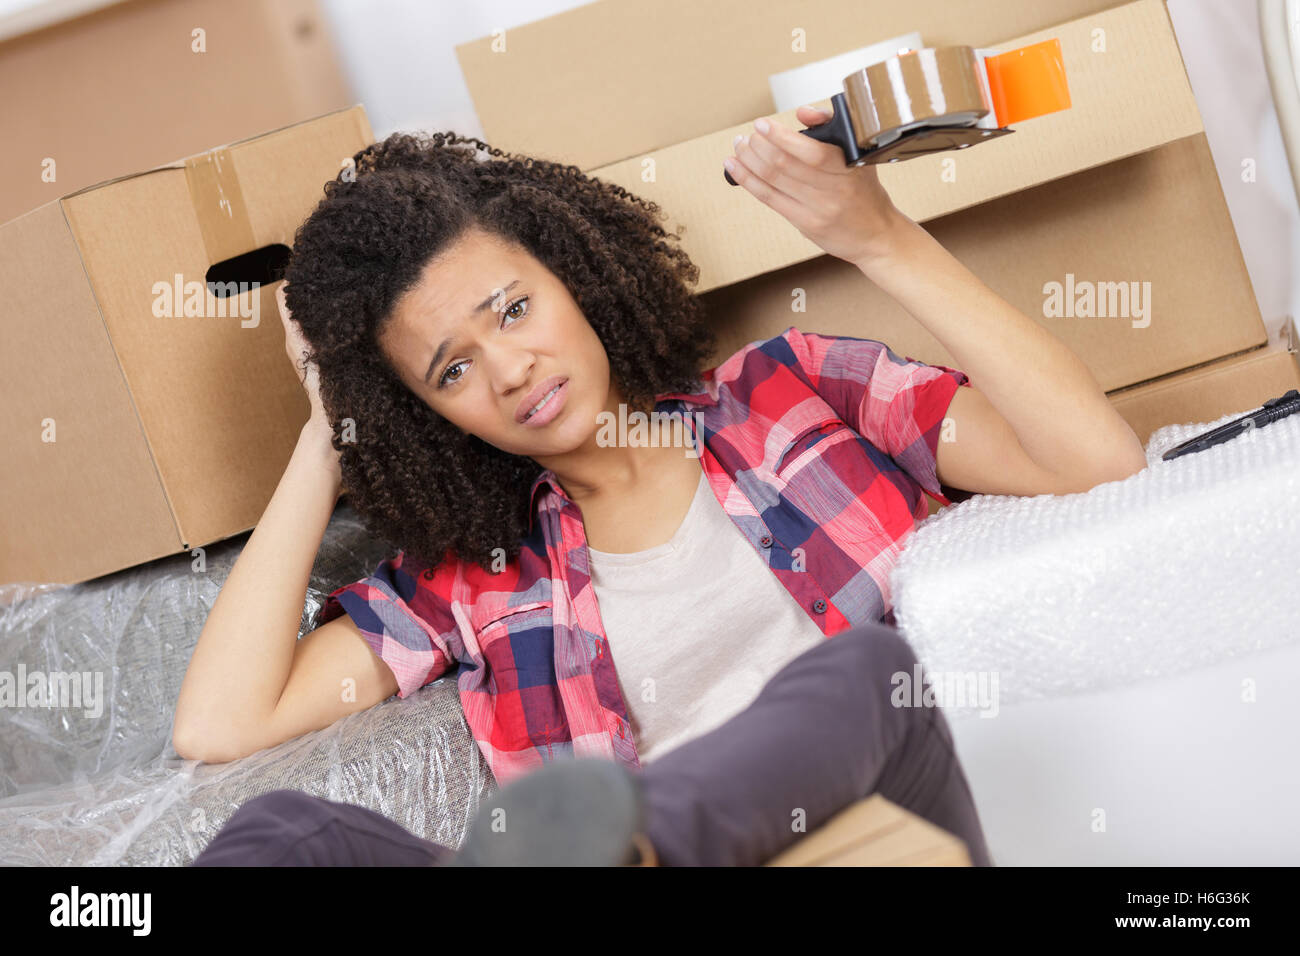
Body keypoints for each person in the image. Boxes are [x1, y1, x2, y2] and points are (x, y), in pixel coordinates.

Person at [175, 108, 1148, 866]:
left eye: (513, 309)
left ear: (571, 271)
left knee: (859, 676)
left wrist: (880, 237)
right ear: (432, 413)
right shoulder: (473, 573)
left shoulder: (792, 388)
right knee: (289, 839)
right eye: (452, 370)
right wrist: (329, 429)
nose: (510, 369)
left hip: (877, 838)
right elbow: (221, 721)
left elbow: (1094, 462)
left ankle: (622, 846)